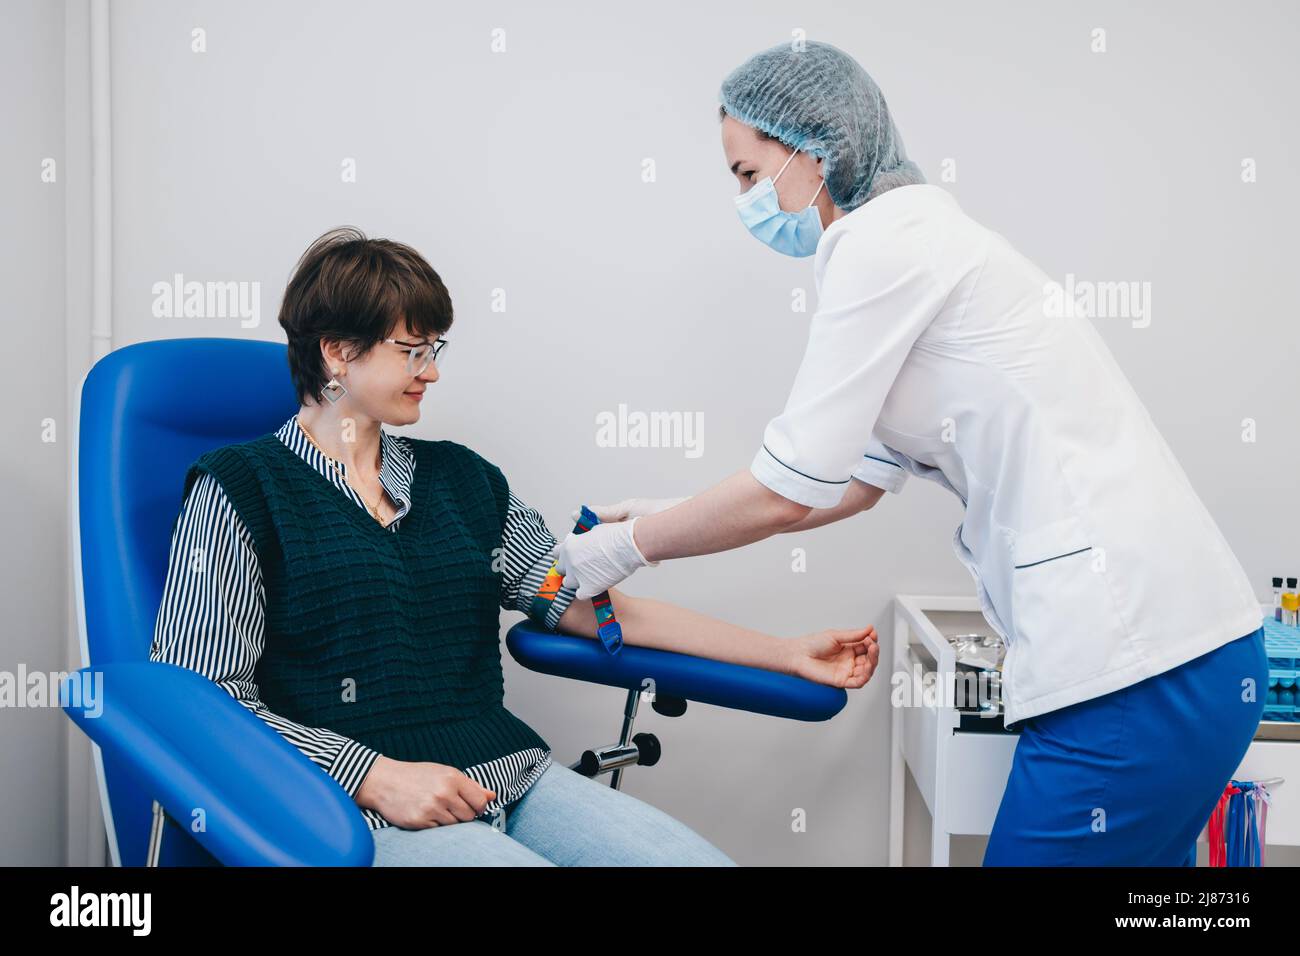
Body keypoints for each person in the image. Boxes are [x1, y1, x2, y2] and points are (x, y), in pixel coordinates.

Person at [553, 41, 1267, 866]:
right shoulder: (922, 240)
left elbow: (787, 489)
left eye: (748, 174)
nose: (745, 200)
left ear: (814, 148)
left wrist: (623, 548)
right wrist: (665, 514)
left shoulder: (883, 244)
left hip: (1138, 666)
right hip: (1185, 654)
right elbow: (849, 484)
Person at [152, 226, 881, 866]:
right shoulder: (239, 489)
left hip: (510, 773)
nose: (432, 370)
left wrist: (785, 652)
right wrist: (372, 774)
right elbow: (200, 697)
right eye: (411, 350)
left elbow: (589, 605)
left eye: (435, 348)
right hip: (347, 805)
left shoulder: (462, 482)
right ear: (337, 352)